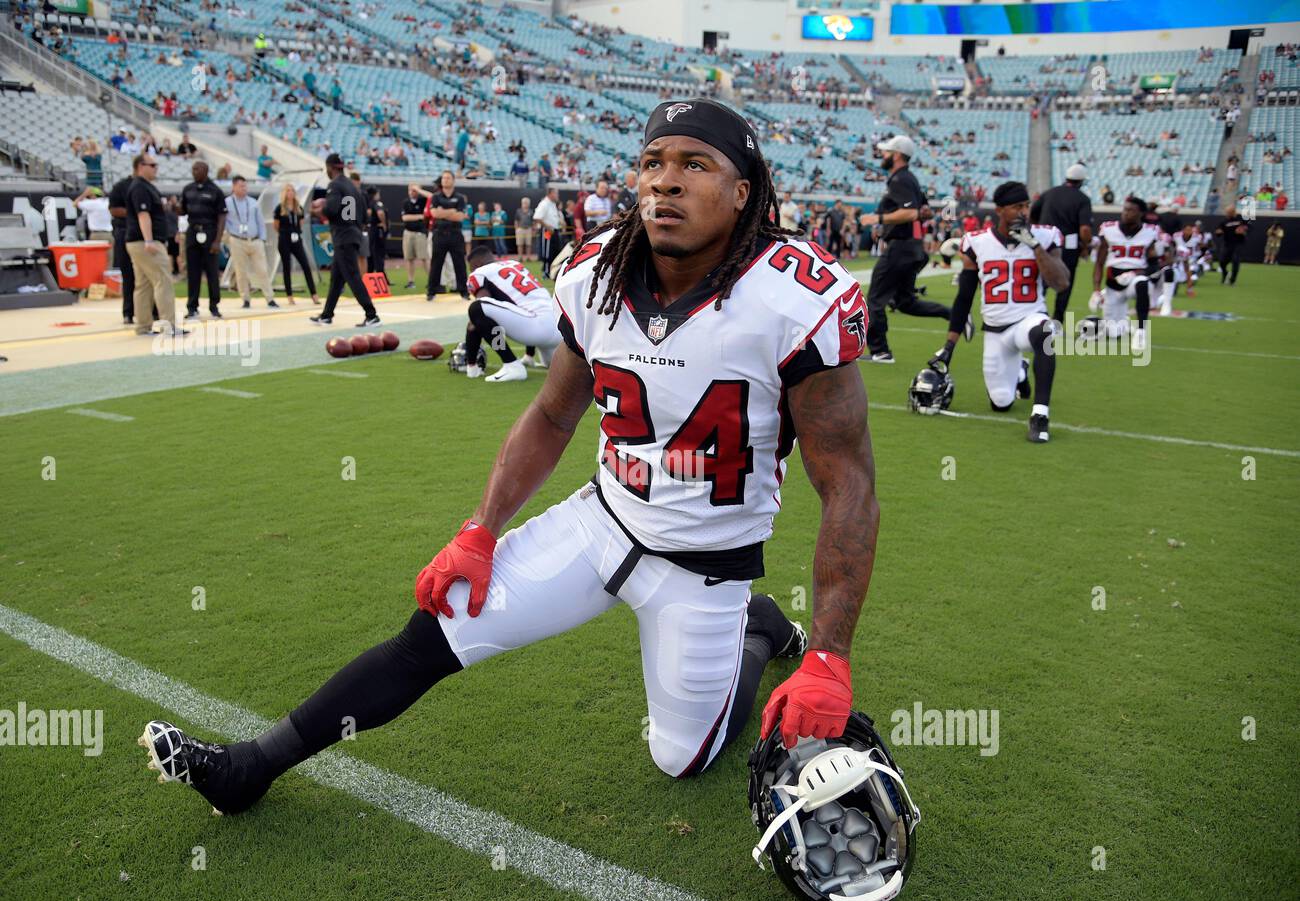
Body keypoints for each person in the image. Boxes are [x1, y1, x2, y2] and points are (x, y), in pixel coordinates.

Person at [140, 96, 880, 815]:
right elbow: (554, 413)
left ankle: (759, 629)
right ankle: (251, 767)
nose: (665, 180)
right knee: (428, 636)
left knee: (681, 756)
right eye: (652, 162)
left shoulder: (794, 298)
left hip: (706, 562)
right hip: (603, 520)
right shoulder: (598, 274)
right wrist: (481, 528)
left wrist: (830, 653)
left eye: (695, 164)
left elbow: (847, 482)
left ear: (743, 192)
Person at [930, 181, 1070, 444]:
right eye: (1017, 207)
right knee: (1001, 401)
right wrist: (949, 345)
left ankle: (1040, 415)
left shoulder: (1045, 236)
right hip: (995, 331)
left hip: (1029, 320)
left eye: (1027, 206)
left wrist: (1035, 246)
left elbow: (1061, 283)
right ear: (1000, 210)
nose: (1024, 212)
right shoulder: (976, 242)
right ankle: (1020, 371)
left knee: (1045, 333)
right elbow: (965, 296)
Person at [859, 135, 957, 362]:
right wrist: (887, 226)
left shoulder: (900, 179)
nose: (882, 156)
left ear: (897, 155)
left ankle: (880, 351)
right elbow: (924, 211)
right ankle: (952, 314)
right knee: (905, 302)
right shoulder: (909, 179)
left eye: (886, 152)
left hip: (901, 249)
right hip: (910, 248)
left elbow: (912, 213)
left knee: (875, 299)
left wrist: (878, 218)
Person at [457, 244, 562, 381]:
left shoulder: (479, 273)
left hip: (537, 329)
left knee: (477, 309)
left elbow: (481, 312)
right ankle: (529, 358)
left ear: (477, 264)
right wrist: (529, 355)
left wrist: (471, 363)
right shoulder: (514, 265)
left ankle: (511, 364)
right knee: (526, 307)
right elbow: (522, 304)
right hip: (559, 331)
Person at [310, 153, 380, 327]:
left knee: (353, 276)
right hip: (354, 232)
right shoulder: (353, 186)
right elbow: (364, 213)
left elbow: (332, 209)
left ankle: (371, 315)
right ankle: (327, 315)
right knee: (337, 278)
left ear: (331, 167)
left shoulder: (334, 185)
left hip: (343, 235)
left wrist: (319, 211)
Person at [1091, 196, 1164, 355]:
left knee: (1141, 284)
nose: (1126, 213)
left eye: (1131, 210)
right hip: (1112, 285)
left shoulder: (1150, 232)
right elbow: (1099, 263)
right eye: (1125, 209)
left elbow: (1154, 266)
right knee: (1112, 333)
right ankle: (1124, 324)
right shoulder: (1108, 229)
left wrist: (1135, 273)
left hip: (1134, 281)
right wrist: (1096, 290)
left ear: (1141, 214)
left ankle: (1141, 332)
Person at [124, 154, 186, 337]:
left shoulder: (143, 186)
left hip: (137, 241)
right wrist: (149, 240)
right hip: (145, 241)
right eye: (152, 165)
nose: (155, 168)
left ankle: (143, 326)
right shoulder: (140, 188)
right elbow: (143, 215)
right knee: (163, 281)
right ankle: (169, 326)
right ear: (140, 166)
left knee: (143, 284)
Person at [1030, 162, 1092, 323]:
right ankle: (1057, 320)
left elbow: (1032, 215)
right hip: (1068, 245)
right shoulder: (1082, 199)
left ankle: (1033, 315)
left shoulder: (1049, 193)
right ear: (1081, 181)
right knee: (1065, 283)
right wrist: (1086, 246)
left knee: (1041, 280)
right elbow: (1085, 229)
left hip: (1045, 243)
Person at [179, 160, 226, 320]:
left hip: (210, 232)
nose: (194, 171)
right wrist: (174, 207)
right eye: (193, 169)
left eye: (197, 169)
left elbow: (222, 216)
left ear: (205, 170)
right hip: (193, 231)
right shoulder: (188, 189)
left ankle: (214, 305)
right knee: (193, 271)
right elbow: (182, 210)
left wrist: (217, 240)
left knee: (212, 271)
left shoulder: (215, 191)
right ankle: (192, 307)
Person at [224, 176, 279, 310]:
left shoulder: (253, 202)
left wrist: (262, 238)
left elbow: (260, 221)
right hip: (237, 240)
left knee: (262, 270)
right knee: (241, 271)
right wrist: (228, 237)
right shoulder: (227, 202)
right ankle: (245, 299)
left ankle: (270, 298)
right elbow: (224, 221)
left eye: (245, 186)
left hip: (254, 240)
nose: (244, 188)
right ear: (234, 187)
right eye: (241, 186)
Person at [422, 170, 469, 301]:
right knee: (436, 264)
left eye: (448, 178)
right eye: (443, 178)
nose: (445, 180)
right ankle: (431, 292)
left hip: (455, 234)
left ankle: (464, 292)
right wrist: (452, 211)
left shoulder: (459, 198)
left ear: (453, 180)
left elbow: (460, 217)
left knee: (459, 264)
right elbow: (434, 214)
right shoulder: (436, 197)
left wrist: (443, 212)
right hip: (439, 234)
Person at [272, 183, 319, 305]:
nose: (290, 193)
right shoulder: (280, 208)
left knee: (305, 265)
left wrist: (295, 232)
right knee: (286, 267)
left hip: (296, 239)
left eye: (292, 191)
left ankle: (314, 294)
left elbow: (301, 222)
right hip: (284, 239)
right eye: (288, 191)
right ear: (284, 193)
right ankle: (289, 295)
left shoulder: (299, 208)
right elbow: (276, 225)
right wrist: (285, 233)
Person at [107, 172, 143, 325]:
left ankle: (152, 311)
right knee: (128, 275)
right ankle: (128, 312)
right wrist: (136, 213)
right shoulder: (121, 186)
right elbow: (113, 209)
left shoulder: (147, 187)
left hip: (143, 235)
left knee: (147, 277)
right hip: (124, 232)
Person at [399, 183, 429, 289]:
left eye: (414, 190)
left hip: (420, 233)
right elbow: (405, 218)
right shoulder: (405, 202)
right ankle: (411, 281)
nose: (411, 192)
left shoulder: (422, 200)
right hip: (408, 232)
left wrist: (419, 190)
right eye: (410, 190)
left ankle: (431, 280)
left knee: (424, 257)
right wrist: (420, 216)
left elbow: (432, 197)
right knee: (409, 258)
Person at [533, 185, 563, 278]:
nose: (558, 195)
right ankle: (545, 272)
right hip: (547, 231)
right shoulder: (544, 203)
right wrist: (548, 226)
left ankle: (552, 271)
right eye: (556, 193)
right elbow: (537, 217)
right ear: (551, 194)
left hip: (555, 230)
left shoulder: (552, 204)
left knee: (555, 251)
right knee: (547, 251)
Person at [1214, 206, 1248, 284]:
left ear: (1233, 212)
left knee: (1235, 260)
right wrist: (1218, 232)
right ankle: (1225, 273)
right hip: (1227, 244)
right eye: (1227, 212)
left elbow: (1248, 227)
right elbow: (1218, 230)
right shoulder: (1224, 221)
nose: (1227, 214)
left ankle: (1232, 280)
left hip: (1238, 243)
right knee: (1222, 262)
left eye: (1229, 212)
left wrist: (1243, 230)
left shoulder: (1241, 219)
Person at [365, 186, 387, 275]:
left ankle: (369, 274)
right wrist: (384, 223)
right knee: (378, 253)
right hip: (377, 230)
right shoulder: (377, 203)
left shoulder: (367, 203)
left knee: (370, 253)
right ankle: (381, 275)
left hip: (370, 230)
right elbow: (380, 213)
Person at [513, 196, 533, 260]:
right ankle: (520, 257)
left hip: (528, 229)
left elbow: (533, 221)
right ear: (522, 203)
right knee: (520, 244)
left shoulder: (531, 211)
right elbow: (516, 220)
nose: (525, 204)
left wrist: (533, 229)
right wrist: (516, 229)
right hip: (520, 229)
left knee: (528, 244)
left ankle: (528, 257)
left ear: (529, 203)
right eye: (524, 202)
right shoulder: (518, 211)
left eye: (527, 203)